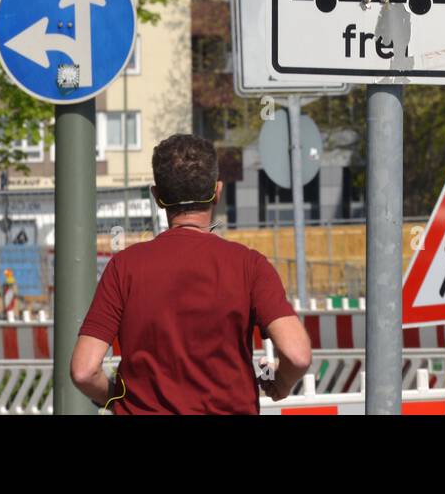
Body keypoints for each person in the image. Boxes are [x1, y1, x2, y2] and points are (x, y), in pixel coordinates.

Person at [71, 134, 311, 414]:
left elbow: (84, 371)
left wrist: (115, 399)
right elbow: (297, 355)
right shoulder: (250, 265)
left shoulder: (124, 267)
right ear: (217, 191)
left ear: (157, 197)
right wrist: (281, 383)